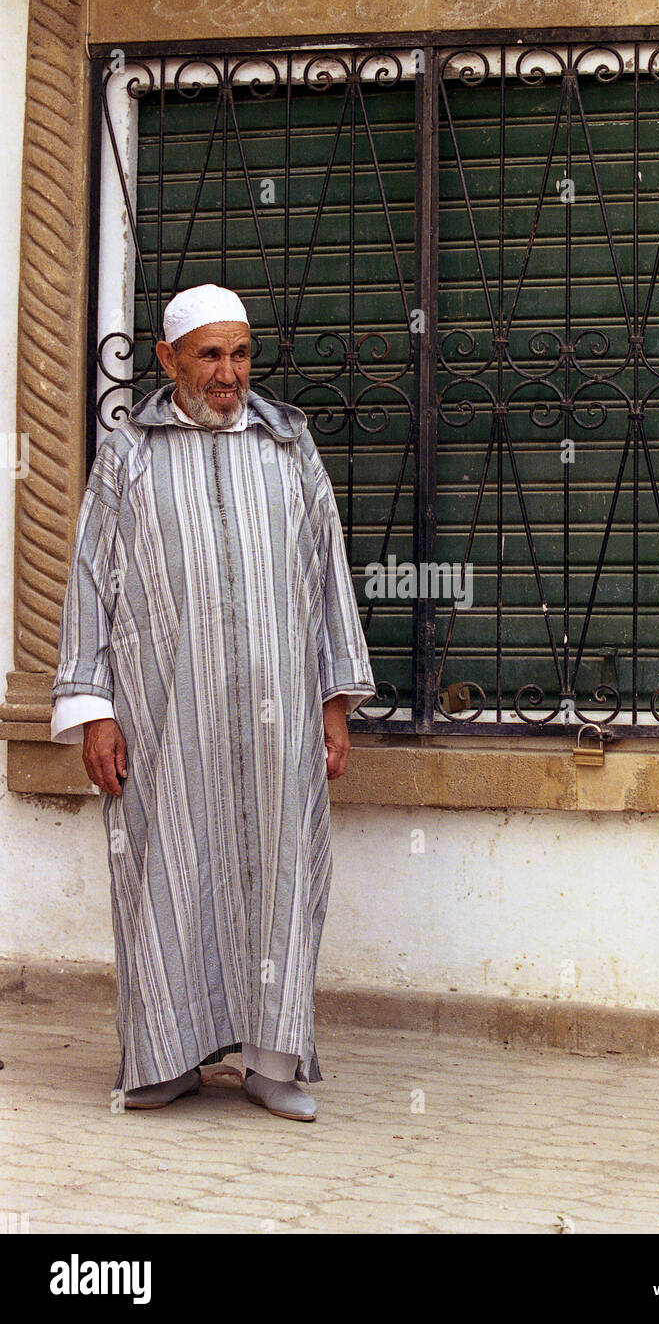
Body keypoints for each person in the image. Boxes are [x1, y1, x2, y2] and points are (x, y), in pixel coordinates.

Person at [51, 283, 376, 1122]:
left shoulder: (289, 445)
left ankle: (273, 1063)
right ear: (168, 360)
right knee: (168, 871)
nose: (229, 374)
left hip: (280, 717)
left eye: (239, 354)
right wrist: (93, 708)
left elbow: (324, 575)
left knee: (279, 874)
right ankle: (165, 1055)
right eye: (209, 355)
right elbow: (91, 582)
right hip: (166, 717)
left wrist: (333, 704)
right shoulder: (128, 453)